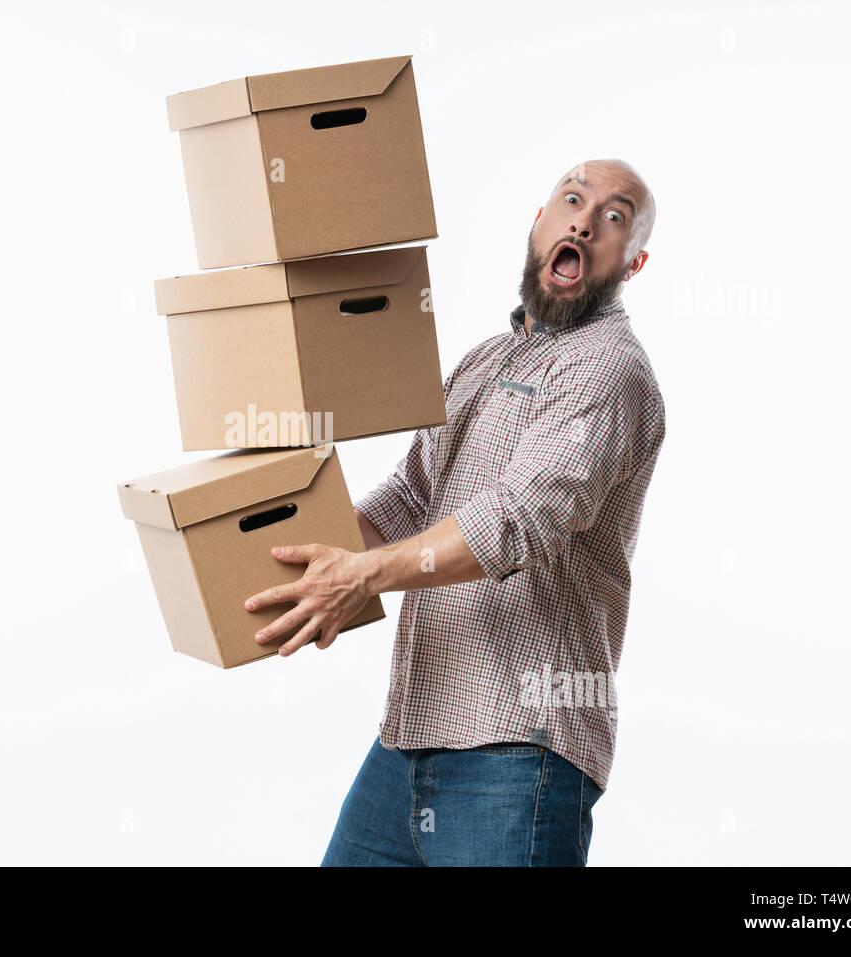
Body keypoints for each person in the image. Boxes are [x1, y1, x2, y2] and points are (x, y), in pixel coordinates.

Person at [243, 159, 666, 866]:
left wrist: (363, 576)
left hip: (518, 752)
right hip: (409, 741)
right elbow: (412, 496)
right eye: (571, 200)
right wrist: (279, 544)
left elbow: (517, 519)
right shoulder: (484, 359)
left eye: (614, 217)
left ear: (633, 263)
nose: (585, 221)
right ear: (539, 223)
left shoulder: (609, 369)